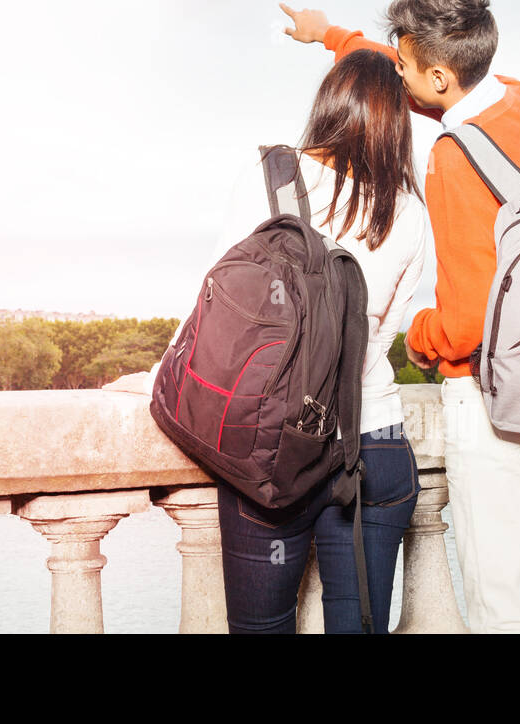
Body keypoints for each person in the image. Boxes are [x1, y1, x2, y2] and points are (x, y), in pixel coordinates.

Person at [280, 0, 520, 634]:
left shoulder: (454, 157)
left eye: (405, 63)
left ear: (438, 75)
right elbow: (407, 75)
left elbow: (468, 318)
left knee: (500, 608)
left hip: (494, 395)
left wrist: (420, 337)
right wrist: (331, 36)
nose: (399, 75)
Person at [158, 49, 426, 634]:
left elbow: (218, 302)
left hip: (277, 451)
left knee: (262, 628)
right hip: (373, 444)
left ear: (329, 103)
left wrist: (162, 372)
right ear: (396, 124)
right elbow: (386, 332)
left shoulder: (271, 177)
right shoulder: (407, 211)